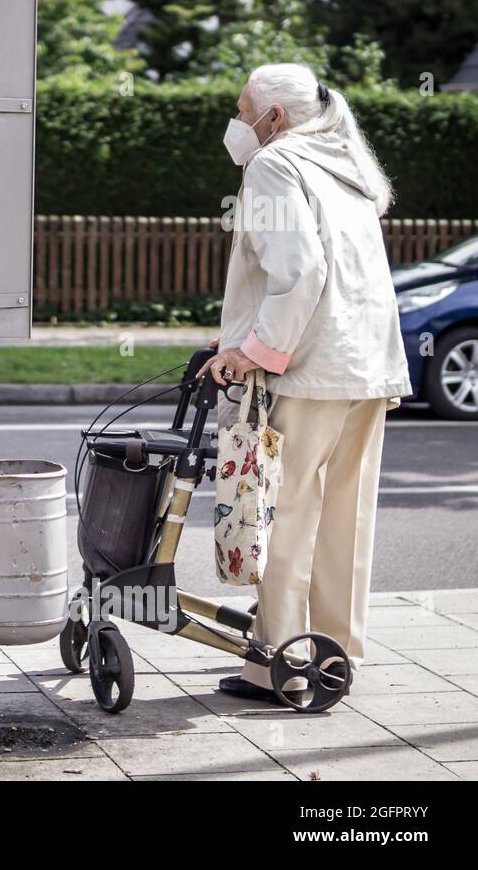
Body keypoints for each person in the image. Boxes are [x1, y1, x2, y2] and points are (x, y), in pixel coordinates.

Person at [199, 62, 411, 703]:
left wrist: (257, 353)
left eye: (241, 111)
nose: (237, 124)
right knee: (345, 516)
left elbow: (300, 272)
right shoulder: (343, 165)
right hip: (365, 368)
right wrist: (240, 339)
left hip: (307, 369)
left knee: (283, 516)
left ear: (274, 117)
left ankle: (276, 667)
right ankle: (333, 656)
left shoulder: (274, 164)